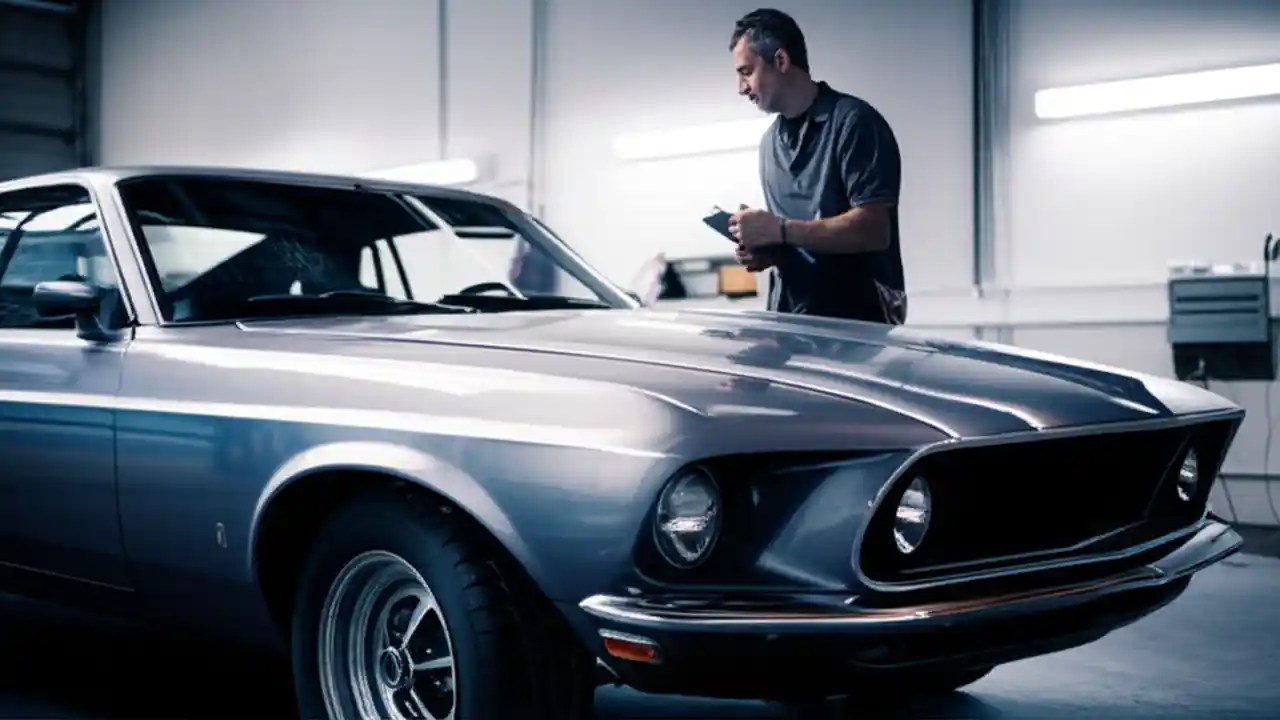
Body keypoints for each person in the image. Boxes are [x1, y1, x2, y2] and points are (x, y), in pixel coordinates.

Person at [727, 8, 907, 325]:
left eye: (746, 72)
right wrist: (767, 249)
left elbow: (874, 230)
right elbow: (799, 241)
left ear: (780, 61)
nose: (741, 87)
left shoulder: (855, 123)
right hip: (791, 322)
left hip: (858, 326)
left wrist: (780, 230)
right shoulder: (770, 143)